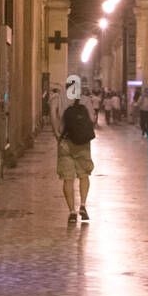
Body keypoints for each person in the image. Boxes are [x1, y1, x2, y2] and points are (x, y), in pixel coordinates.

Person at [56, 92, 96, 224]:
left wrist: (58, 136)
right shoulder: (86, 102)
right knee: (84, 175)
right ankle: (83, 204)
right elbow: (92, 121)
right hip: (83, 145)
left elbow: (59, 125)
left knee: (68, 178)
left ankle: (72, 212)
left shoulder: (60, 99)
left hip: (67, 144)